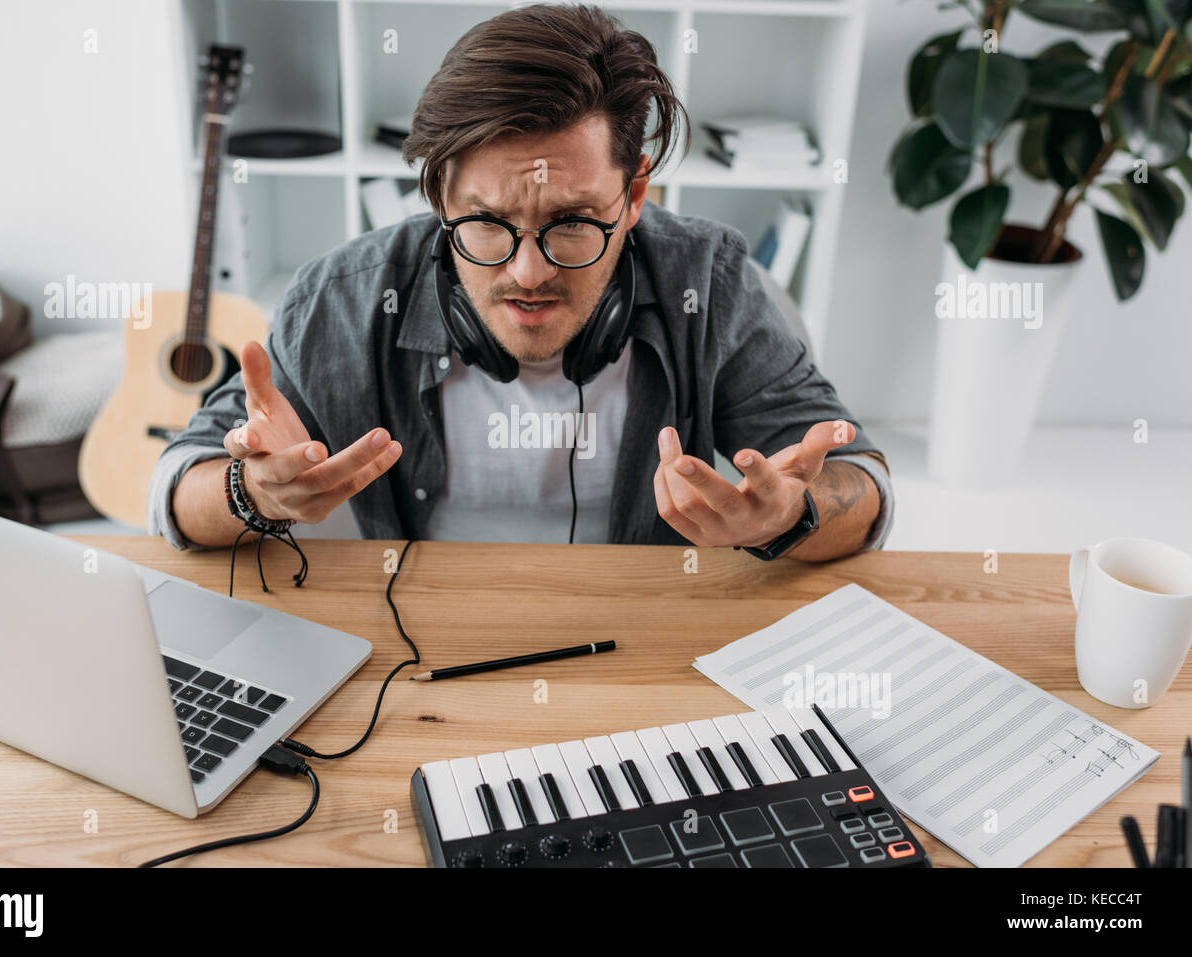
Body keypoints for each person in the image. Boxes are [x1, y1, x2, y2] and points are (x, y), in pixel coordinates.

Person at [148, 3, 893, 560]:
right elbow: (175, 486)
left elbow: (864, 483)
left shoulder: (712, 283)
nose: (528, 271)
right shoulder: (342, 298)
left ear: (635, 196)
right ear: (439, 194)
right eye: (488, 223)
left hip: (643, 649)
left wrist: (792, 514)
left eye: (573, 221)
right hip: (421, 654)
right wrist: (253, 491)